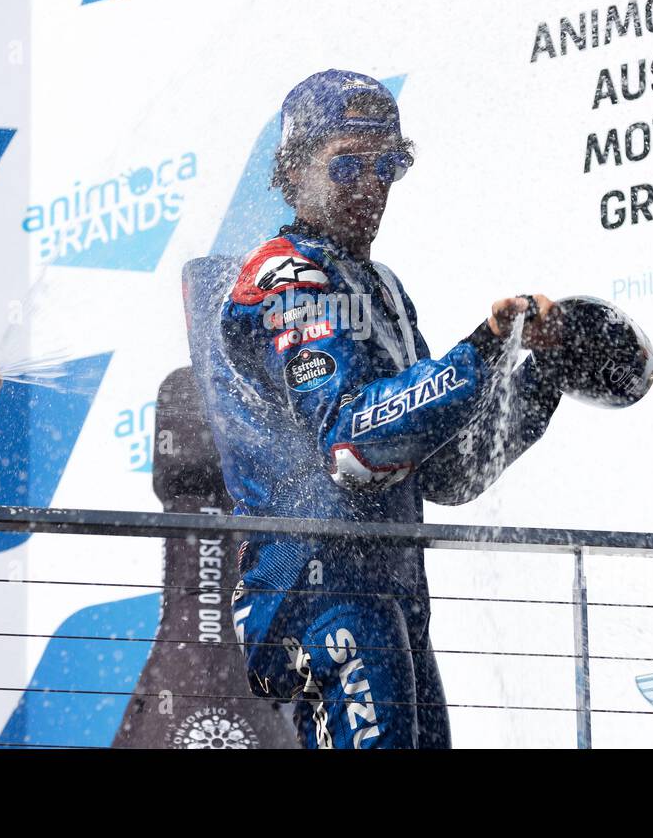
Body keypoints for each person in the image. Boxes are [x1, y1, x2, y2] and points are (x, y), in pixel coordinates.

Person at [190, 70, 564, 749]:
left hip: (390, 586)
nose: (371, 186)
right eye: (347, 165)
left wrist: (544, 378)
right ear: (295, 171)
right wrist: (481, 349)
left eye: (389, 164)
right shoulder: (283, 275)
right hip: (316, 586)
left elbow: (447, 474)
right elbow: (352, 446)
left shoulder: (382, 287)